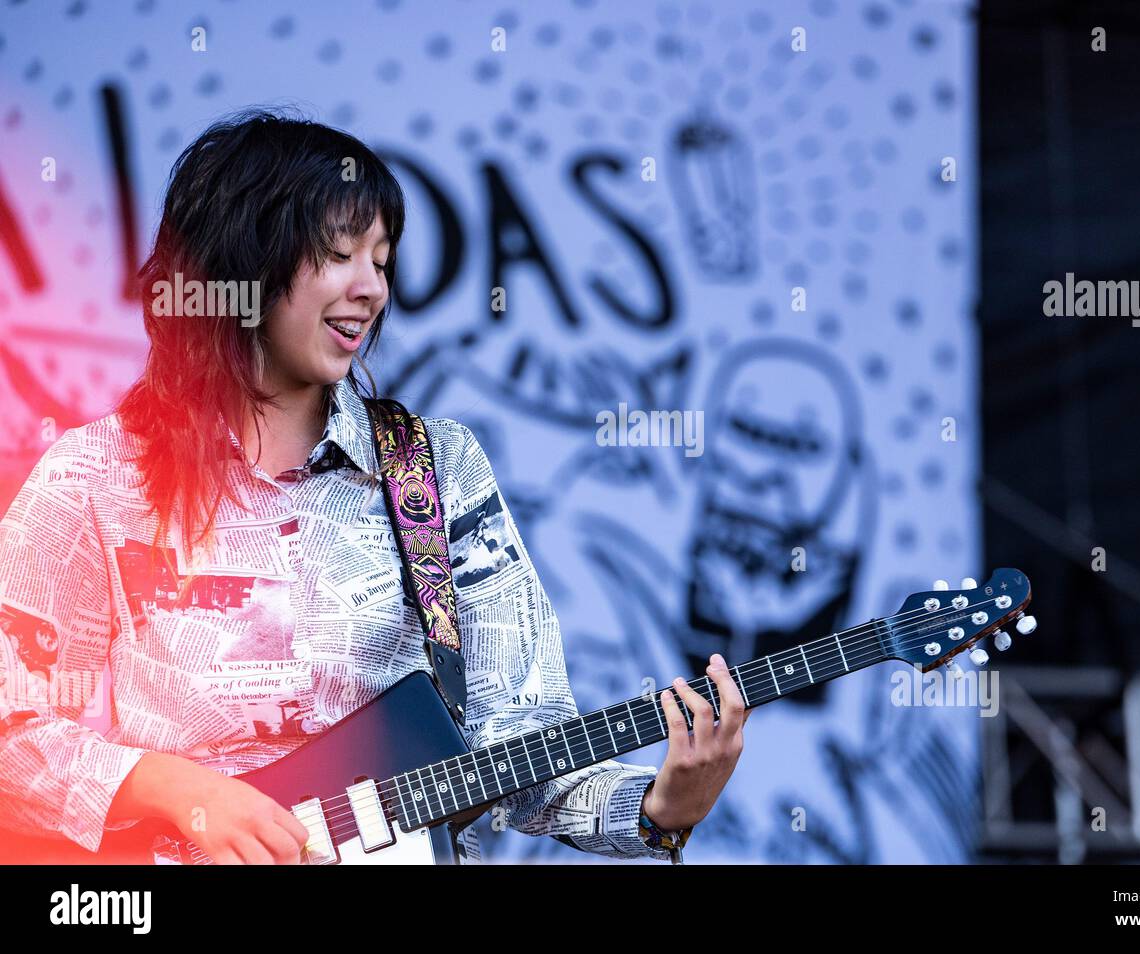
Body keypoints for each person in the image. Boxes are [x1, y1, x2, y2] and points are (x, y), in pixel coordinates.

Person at [0, 109, 746, 864]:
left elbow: (526, 756)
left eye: (382, 262)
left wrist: (661, 808)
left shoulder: (436, 467)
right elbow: (10, 734)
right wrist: (167, 788)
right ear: (238, 269)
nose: (371, 290)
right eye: (336, 255)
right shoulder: (95, 475)